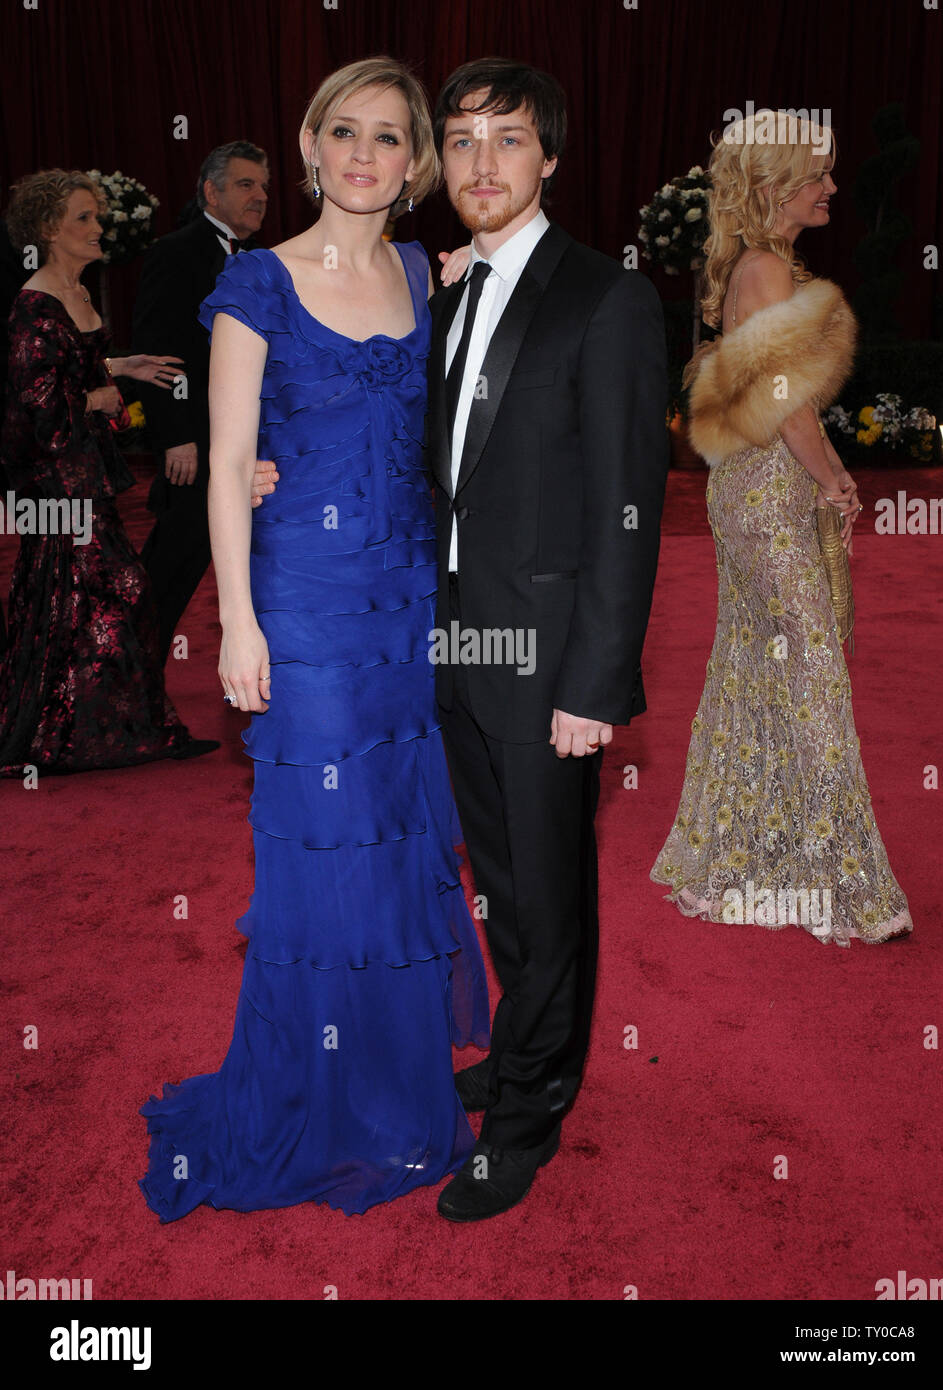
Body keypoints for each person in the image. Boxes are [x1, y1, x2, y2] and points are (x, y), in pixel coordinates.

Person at [139, 58, 490, 1223]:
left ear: (414, 163)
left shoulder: (414, 271)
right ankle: (317, 1098)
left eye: (387, 138)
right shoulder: (255, 284)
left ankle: (391, 1094)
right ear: (308, 141)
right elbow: (229, 467)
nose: (360, 154)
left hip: (406, 599)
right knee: (328, 848)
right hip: (301, 598)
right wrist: (236, 622)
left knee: (396, 840)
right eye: (342, 130)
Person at [428, 59, 668, 1221]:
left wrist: (596, 679)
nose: (482, 162)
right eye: (462, 139)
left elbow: (632, 501)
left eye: (507, 140)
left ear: (549, 159)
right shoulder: (449, 291)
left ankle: (527, 1115)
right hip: (459, 648)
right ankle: (525, 1043)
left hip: (549, 654)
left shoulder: (603, 296)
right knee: (505, 883)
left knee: (551, 888)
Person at [650, 112, 912, 947]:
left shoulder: (761, 264)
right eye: (817, 174)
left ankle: (750, 855)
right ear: (772, 181)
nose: (831, 187)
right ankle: (838, 878)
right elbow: (777, 401)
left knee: (761, 666)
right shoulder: (762, 269)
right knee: (811, 673)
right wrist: (830, 475)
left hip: (760, 487)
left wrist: (827, 471)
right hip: (766, 492)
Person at [0, 170, 216, 775]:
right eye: (84, 219)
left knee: (70, 603)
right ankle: (86, 734)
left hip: (85, 478)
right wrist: (99, 396)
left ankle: (92, 731)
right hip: (57, 484)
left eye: (98, 217)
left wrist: (123, 366)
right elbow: (33, 408)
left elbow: (69, 362)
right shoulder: (34, 303)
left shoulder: (79, 293)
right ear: (49, 230)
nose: (99, 229)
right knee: (116, 593)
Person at [132, 142, 269, 661]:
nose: (259, 197)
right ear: (211, 192)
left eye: (263, 187)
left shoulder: (258, 260)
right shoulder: (177, 251)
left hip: (247, 451)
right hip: (197, 447)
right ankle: (128, 686)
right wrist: (176, 437)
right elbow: (156, 351)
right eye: (245, 185)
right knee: (170, 572)